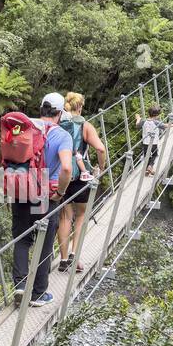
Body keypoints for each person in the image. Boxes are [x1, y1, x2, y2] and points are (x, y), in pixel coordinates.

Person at [10, 92, 72, 307]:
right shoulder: (63, 135)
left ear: (41, 108)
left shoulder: (26, 128)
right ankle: (37, 294)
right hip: (46, 194)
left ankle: (19, 286)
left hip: (20, 190)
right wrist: (61, 193)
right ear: (60, 113)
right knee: (44, 243)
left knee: (21, 239)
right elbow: (66, 167)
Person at [57, 92, 108, 273]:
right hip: (81, 176)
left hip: (62, 175)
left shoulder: (58, 124)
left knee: (64, 217)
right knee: (81, 216)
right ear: (80, 107)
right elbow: (100, 149)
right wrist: (101, 169)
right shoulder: (85, 126)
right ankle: (74, 256)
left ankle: (63, 260)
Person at [135, 105, 173, 175]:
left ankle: (148, 169)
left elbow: (137, 125)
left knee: (146, 156)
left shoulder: (143, 121)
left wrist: (138, 118)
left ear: (148, 113)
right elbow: (166, 126)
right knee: (155, 155)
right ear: (157, 115)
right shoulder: (156, 122)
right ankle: (150, 166)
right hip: (154, 143)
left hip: (145, 143)